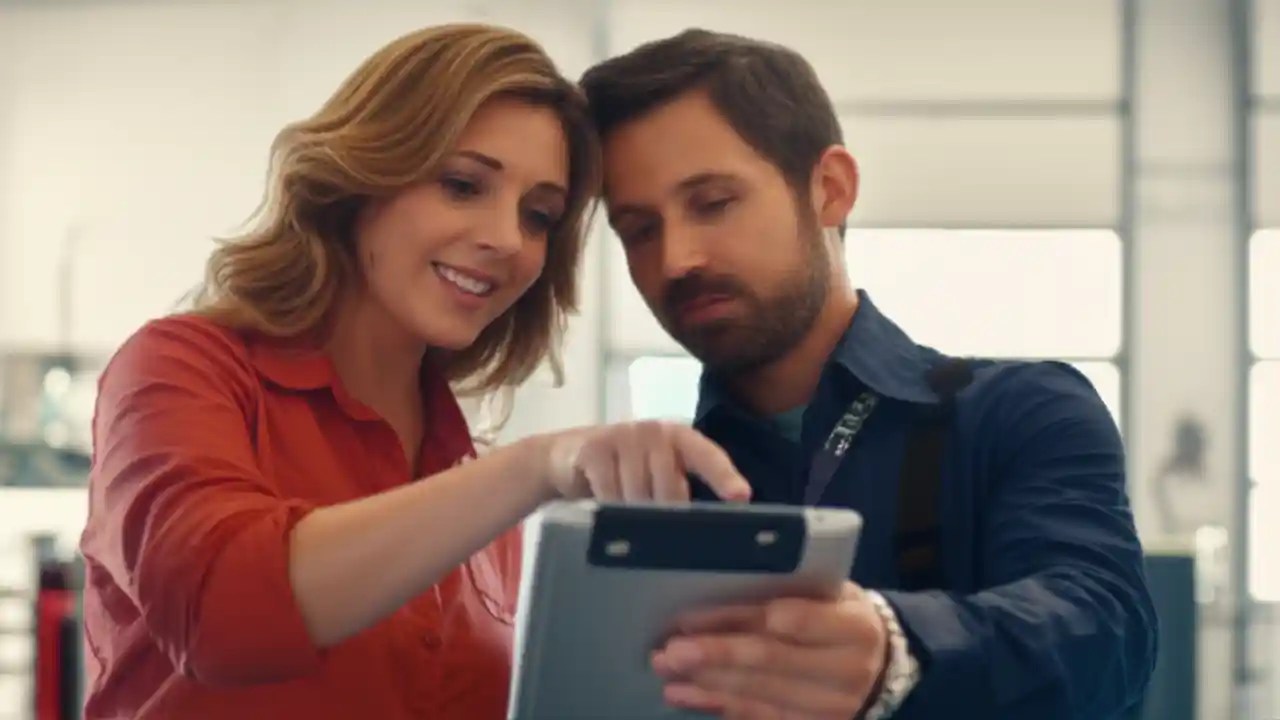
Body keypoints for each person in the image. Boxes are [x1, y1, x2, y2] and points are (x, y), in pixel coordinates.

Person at [78, 24, 752, 720]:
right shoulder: (179, 369)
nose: (507, 240)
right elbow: (219, 612)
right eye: (462, 185)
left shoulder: (473, 488)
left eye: (538, 216)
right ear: (359, 181)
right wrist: (535, 468)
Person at [581, 29, 1159, 720]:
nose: (677, 258)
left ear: (829, 190)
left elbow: (1103, 632)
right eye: (639, 229)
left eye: (713, 202)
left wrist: (895, 651)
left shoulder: (1022, 414)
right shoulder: (658, 493)